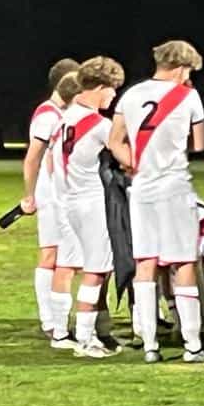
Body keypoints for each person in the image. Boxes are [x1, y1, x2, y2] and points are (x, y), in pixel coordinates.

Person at [109, 39, 204, 363]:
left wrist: (135, 164)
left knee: (146, 263)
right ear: (182, 68)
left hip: (142, 189)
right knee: (182, 264)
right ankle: (192, 344)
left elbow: (115, 141)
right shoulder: (188, 96)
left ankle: (150, 343)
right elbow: (200, 143)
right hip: (175, 186)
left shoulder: (131, 95)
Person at [55, 56, 127, 357]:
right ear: (99, 87)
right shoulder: (99, 124)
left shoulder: (66, 116)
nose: (113, 96)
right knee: (96, 270)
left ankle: (77, 331)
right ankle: (85, 338)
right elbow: (126, 155)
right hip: (90, 201)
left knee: (85, 266)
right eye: (112, 90)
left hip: (69, 199)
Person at [22, 59, 80, 341]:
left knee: (63, 254)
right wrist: (29, 195)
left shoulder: (66, 112)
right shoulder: (48, 114)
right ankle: (49, 319)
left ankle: (59, 317)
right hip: (50, 192)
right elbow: (32, 158)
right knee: (51, 254)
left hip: (64, 191)